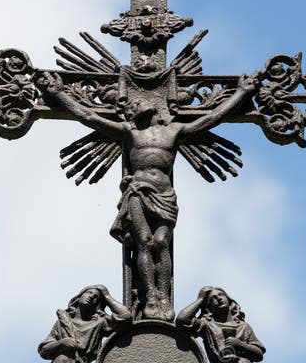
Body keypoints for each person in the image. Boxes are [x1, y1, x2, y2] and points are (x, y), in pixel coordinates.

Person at [37, 72, 259, 321]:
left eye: (138, 102)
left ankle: (163, 294)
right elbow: (88, 116)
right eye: (132, 104)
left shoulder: (175, 131)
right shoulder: (129, 133)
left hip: (165, 194)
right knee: (144, 240)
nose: (135, 103)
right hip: (138, 191)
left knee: (161, 242)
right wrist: (58, 94)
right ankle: (150, 296)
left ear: (154, 107)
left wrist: (242, 93)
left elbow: (212, 116)